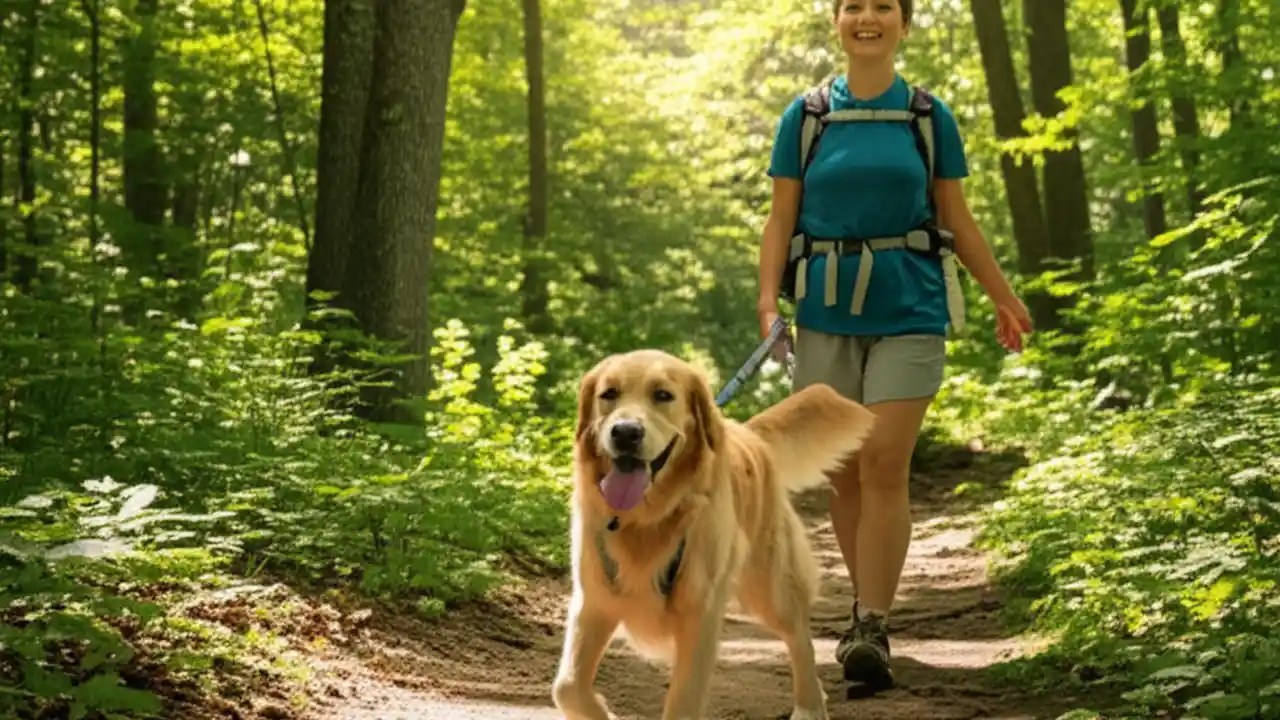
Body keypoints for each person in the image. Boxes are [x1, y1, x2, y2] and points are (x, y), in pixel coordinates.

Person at [755, 0, 1034, 697]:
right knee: (843, 472)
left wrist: (1001, 293)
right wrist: (767, 304)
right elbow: (780, 216)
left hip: (911, 306)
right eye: (855, 6)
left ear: (905, 24)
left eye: (884, 6)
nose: (868, 17)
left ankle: (873, 623)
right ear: (838, 21)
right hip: (822, 308)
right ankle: (863, 608)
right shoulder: (807, 115)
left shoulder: (928, 117)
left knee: (883, 462)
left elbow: (956, 217)